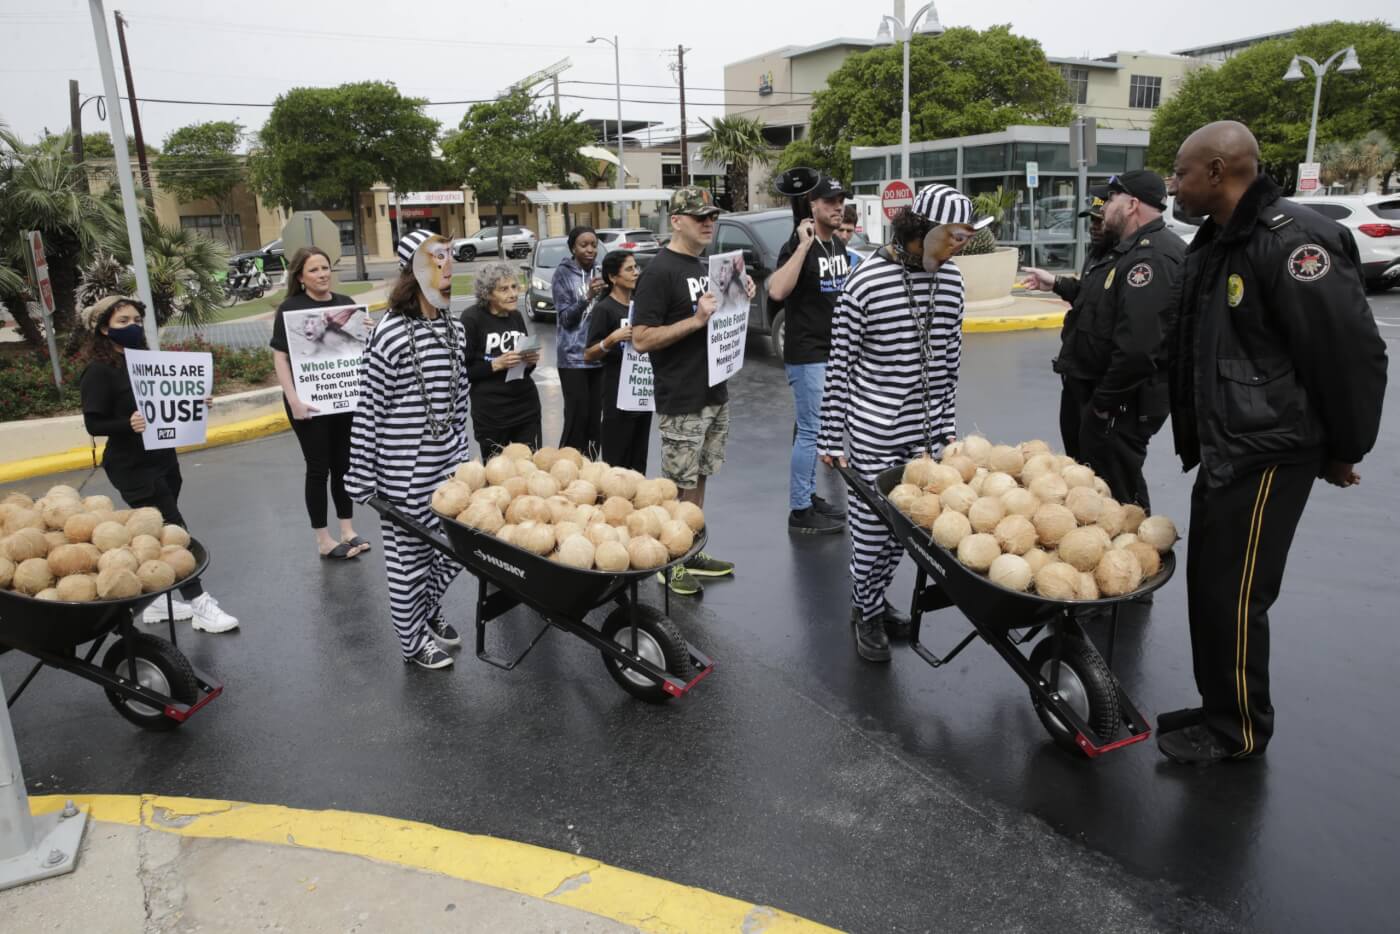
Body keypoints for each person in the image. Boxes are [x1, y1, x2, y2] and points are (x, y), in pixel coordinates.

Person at [1156, 121, 1387, 765]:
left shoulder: (1292, 240)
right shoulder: (1220, 240)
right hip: (1232, 447)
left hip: (1267, 449)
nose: (1173, 183)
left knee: (1235, 592)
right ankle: (1218, 706)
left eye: (1181, 172)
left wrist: (1346, 450)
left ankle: (1238, 730)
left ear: (1220, 170)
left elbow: (1350, 354)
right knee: (1211, 584)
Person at [819, 184, 976, 662]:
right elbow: (840, 365)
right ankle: (864, 612)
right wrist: (830, 435)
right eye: (952, 237)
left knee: (910, 532)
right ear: (920, 230)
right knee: (873, 532)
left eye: (965, 239)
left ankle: (875, 602)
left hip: (926, 436)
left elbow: (949, 363)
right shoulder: (864, 282)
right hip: (874, 430)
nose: (958, 248)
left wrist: (947, 430)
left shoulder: (952, 283)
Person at [1021, 170, 1185, 510]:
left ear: (1132, 204)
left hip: (1116, 405)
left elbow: (1137, 350)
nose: (1104, 207)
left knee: (1117, 498)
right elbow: (1098, 302)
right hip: (1091, 394)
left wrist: (1101, 407)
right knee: (1087, 488)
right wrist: (1057, 284)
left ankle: (1134, 558)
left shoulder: (1151, 258)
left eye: (1111, 199)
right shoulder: (1121, 250)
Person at [346, 231, 471, 671]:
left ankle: (425, 611)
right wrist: (360, 478)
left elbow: (460, 402)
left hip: (448, 470)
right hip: (401, 473)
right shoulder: (390, 334)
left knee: (456, 551)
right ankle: (413, 641)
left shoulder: (454, 328)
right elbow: (369, 410)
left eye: (450, 256)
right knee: (409, 563)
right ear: (414, 270)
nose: (449, 266)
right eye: (438, 258)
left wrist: (464, 459)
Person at [78, 296, 239, 633]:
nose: (133, 326)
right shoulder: (98, 372)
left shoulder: (147, 362)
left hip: (163, 458)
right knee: (176, 531)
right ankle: (200, 604)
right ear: (104, 328)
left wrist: (195, 400)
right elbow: (94, 424)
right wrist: (128, 424)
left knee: (159, 533)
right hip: (132, 467)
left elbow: (167, 401)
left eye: (136, 319)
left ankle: (152, 604)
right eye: (123, 321)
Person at [631, 187, 755, 597]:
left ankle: (689, 549)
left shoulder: (708, 265)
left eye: (712, 216)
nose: (708, 223)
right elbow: (642, 339)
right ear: (676, 221)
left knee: (700, 476)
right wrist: (695, 320)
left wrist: (741, 295)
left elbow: (722, 317)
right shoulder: (658, 272)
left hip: (714, 388)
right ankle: (669, 561)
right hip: (681, 394)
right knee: (677, 482)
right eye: (699, 216)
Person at [270, 246, 369, 561]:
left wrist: (370, 330)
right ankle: (324, 539)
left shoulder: (347, 305)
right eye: (313, 270)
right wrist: (293, 399)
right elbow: (280, 357)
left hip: (344, 400)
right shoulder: (290, 309)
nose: (322, 274)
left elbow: (361, 353)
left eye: (325, 268)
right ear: (300, 276)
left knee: (344, 465)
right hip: (308, 403)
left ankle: (348, 530)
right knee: (318, 467)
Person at [767, 174, 850, 536]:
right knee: (811, 432)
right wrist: (802, 246)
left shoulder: (839, 247)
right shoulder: (798, 244)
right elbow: (778, 291)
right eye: (830, 201)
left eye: (840, 200)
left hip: (832, 353)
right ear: (812, 205)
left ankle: (807, 496)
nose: (838, 206)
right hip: (808, 354)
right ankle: (800, 510)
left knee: (813, 429)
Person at [461, 262, 543, 457]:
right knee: (497, 475)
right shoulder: (471, 319)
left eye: (514, 287)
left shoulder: (516, 316)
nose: (513, 294)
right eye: (504, 289)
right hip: (492, 413)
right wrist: (496, 364)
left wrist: (530, 362)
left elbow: (524, 368)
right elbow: (463, 371)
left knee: (529, 469)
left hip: (526, 407)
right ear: (487, 294)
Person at [584, 250, 651, 472]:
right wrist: (611, 339)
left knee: (639, 459)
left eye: (636, 268)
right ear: (613, 277)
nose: (636, 273)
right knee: (617, 462)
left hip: (642, 390)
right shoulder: (604, 309)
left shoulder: (641, 305)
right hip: (616, 392)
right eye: (629, 269)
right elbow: (588, 354)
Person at [552, 226, 604, 458]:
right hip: (573, 359)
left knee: (595, 421)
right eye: (584, 245)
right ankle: (566, 469)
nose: (590, 249)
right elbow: (566, 318)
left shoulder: (602, 273)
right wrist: (588, 296)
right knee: (577, 418)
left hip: (598, 357)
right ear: (573, 247)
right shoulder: (562, 274)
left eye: (594, 244)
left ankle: (592, 472)